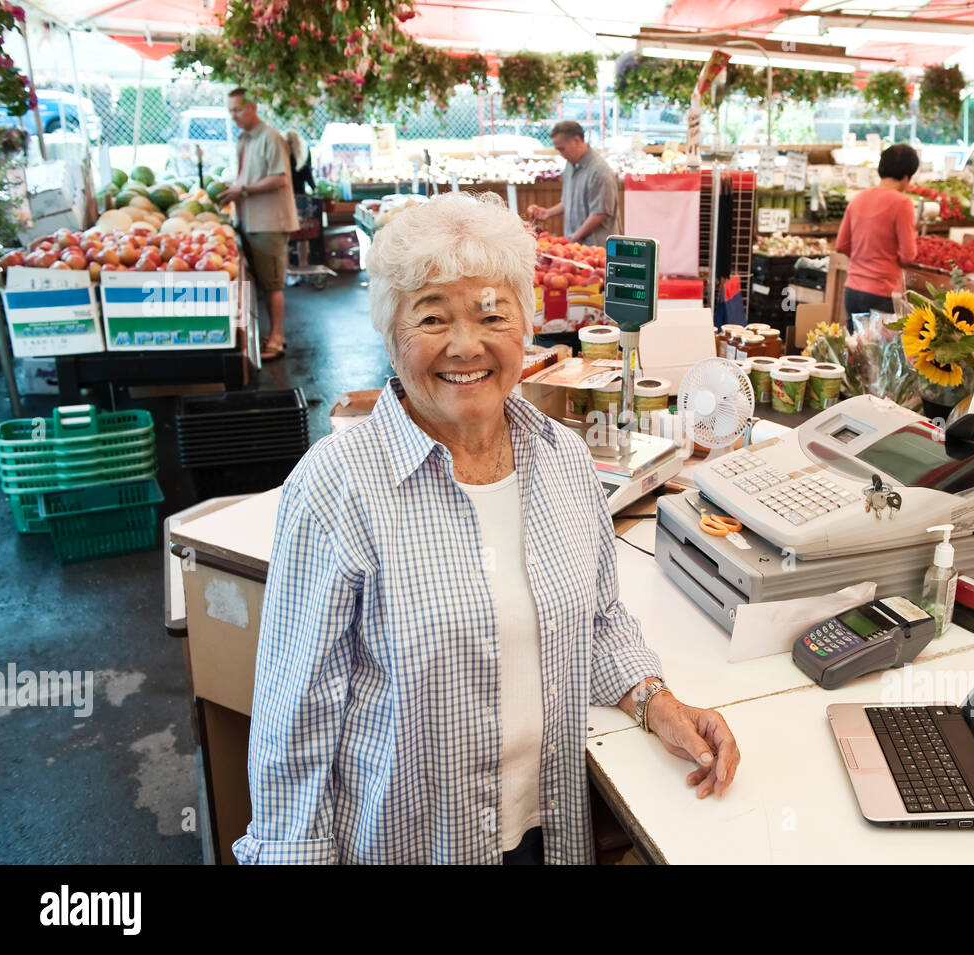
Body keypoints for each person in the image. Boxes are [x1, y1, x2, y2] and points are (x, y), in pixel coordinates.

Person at [232, 192, 740, 865]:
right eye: (433, 316)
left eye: (492, 312)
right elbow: (296, 725)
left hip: (546, 830)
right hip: (410, 844)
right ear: (391, 333)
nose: (466, 344)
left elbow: (597, 621)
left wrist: (658, 702)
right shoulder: (337, 490)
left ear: (526, 325)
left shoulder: (562, 459)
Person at [216, 88, 299, 362]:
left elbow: (280, 178)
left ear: (252, 108)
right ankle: (271, 334)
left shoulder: (271, 138)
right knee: (263, 283)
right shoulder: (244, 139)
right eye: (230, 110)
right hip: (249, 221)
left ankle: (277, 338)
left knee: (273, 283)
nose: (233, 116)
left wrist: (244, 190)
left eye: (238, 110)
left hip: (269, 223)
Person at [835, 143, 920, 318]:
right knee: (880, 345)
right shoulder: (902, 203)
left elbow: (841, 245)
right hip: (882, 292)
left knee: (855, 344)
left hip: (853, 290)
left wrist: (864, 258)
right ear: (906, 176)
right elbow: (907, 256)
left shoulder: (858, 199)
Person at [526, 120, 617, 246]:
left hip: (597, 247)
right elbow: (570, 201)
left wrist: (575, 236)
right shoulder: (570, 165)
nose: (561, 154)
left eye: (562, 149)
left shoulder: (599, 170)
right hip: (576, 245)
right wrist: (549, 212)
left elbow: (599, 213)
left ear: (576, 141)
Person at [287, 130, 316, 196]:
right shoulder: (303, 158)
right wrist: (315, 189)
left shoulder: (282, 159)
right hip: (299, 195)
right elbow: (309, 176)